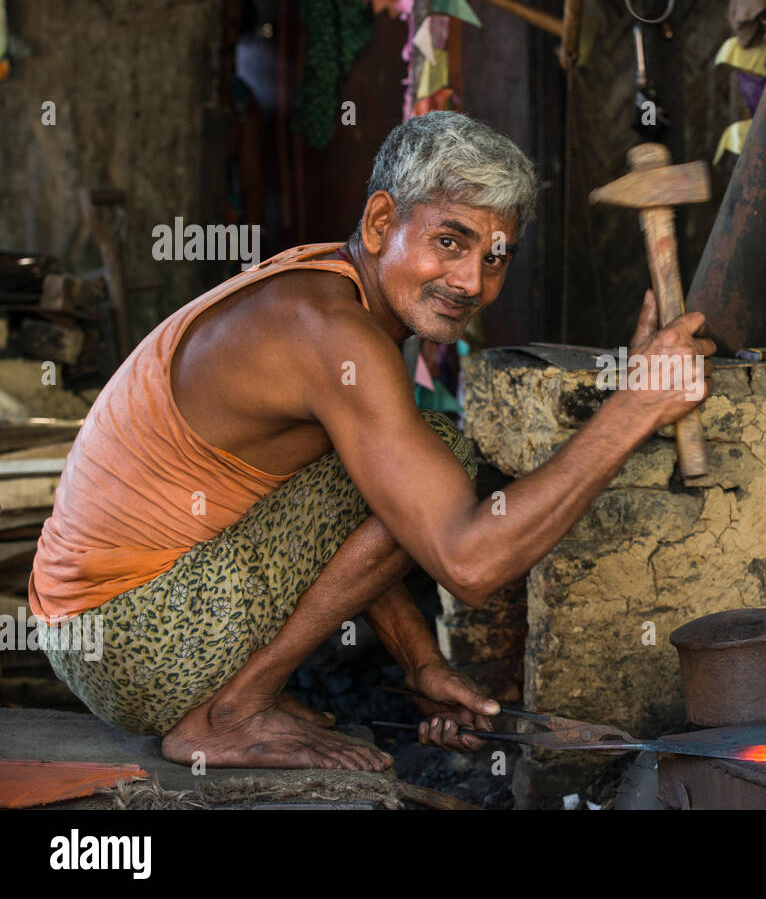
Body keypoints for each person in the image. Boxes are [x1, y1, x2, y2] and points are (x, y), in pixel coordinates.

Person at [28, 112, 715, 770]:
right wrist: (634, 408)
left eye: (495, 255)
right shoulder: (330, 331)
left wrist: (421, 662)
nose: (472, 281)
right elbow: (469, 562)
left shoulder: (329, 287)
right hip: (132, 641)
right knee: (441, 452)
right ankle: (231, 710)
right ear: (382, 222)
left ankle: (235, 696)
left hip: (102, 635)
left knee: (418, 454)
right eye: (450, 241)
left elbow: (371, 495)